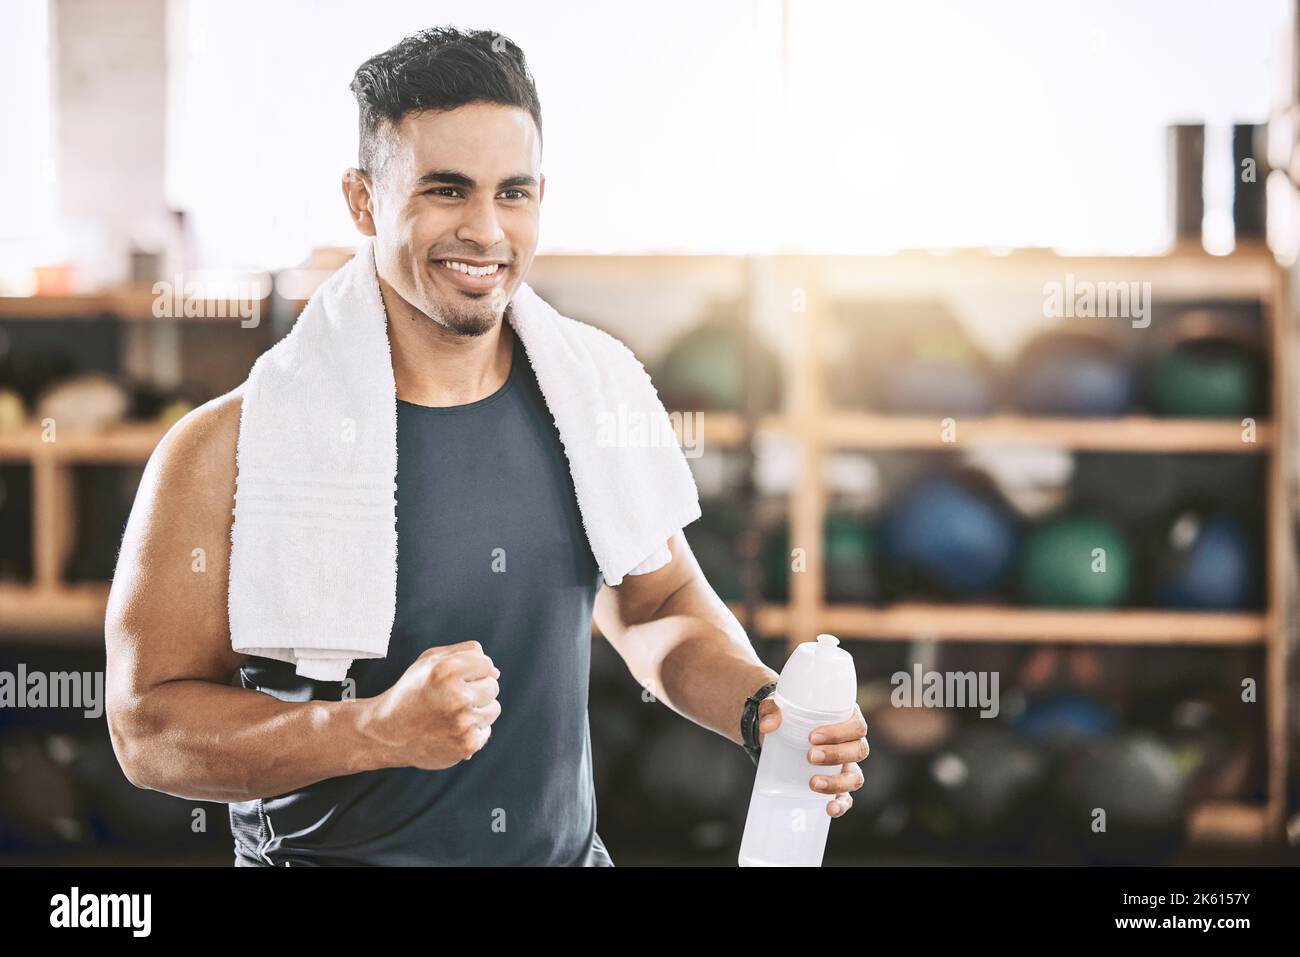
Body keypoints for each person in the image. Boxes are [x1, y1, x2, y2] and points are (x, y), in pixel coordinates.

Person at [104, 26, 867, 866]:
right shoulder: (225, 449)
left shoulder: (593, 398)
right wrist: (373, 729)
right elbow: (148, 729)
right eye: (445, 190)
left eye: (512, 193)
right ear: (363, 201)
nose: (485, 230)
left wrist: (760, 708)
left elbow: (658, 607)